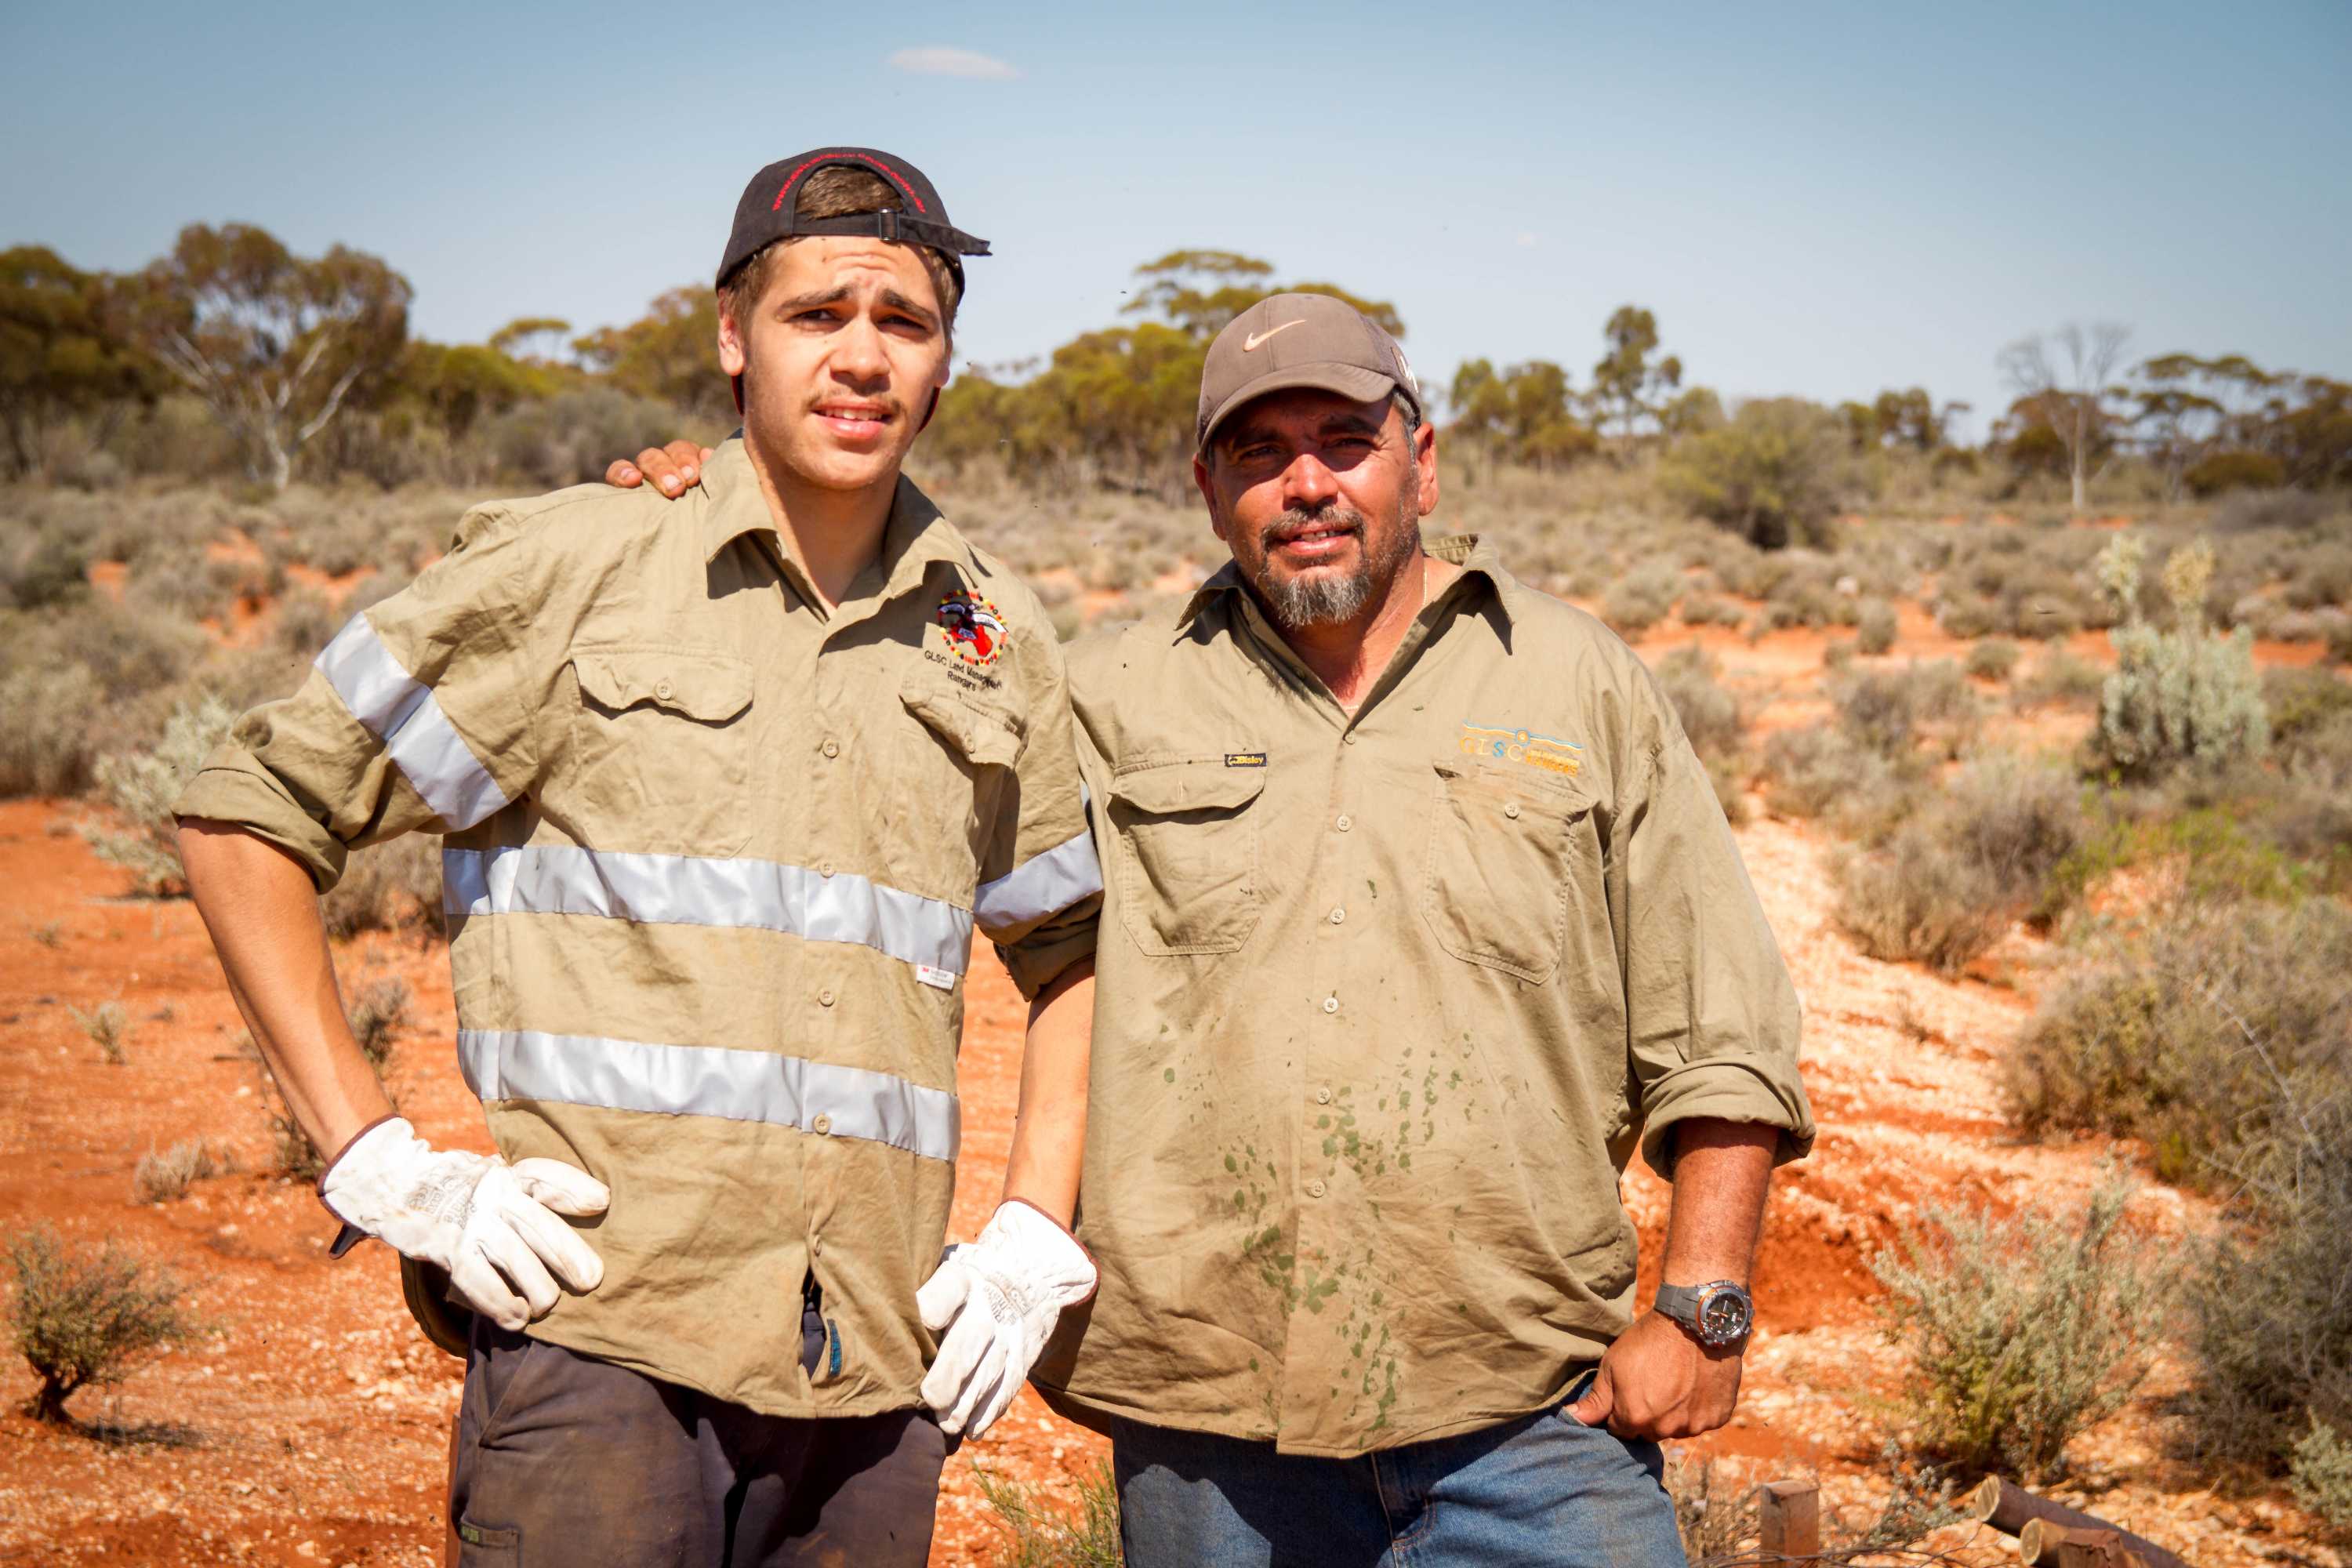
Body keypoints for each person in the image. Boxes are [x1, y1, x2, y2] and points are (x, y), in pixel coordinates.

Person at [616, 293, 1815, 1566]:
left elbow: (1722, 1025)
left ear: (1424, 457)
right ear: (1206, 485)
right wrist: (721, 514)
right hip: (1209, 1434)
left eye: (1345, 439)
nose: (1305, 483)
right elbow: (877, 718)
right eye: (1258, 451)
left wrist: (1702, 1307)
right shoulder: (1111, 698)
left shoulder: (1578, 683)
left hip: (1530, 1413)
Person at [175, 147, 1105, 1567]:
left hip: (871, 1377)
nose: (861, 358)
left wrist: (1035, 1229)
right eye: (816, 315)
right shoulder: (583, 566)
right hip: (603, 1347)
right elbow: (249, 812)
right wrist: (383, 1164)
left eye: (904, 324)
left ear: (945, 363)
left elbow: (1074, 950)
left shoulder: (986, 632)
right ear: (733, 339)